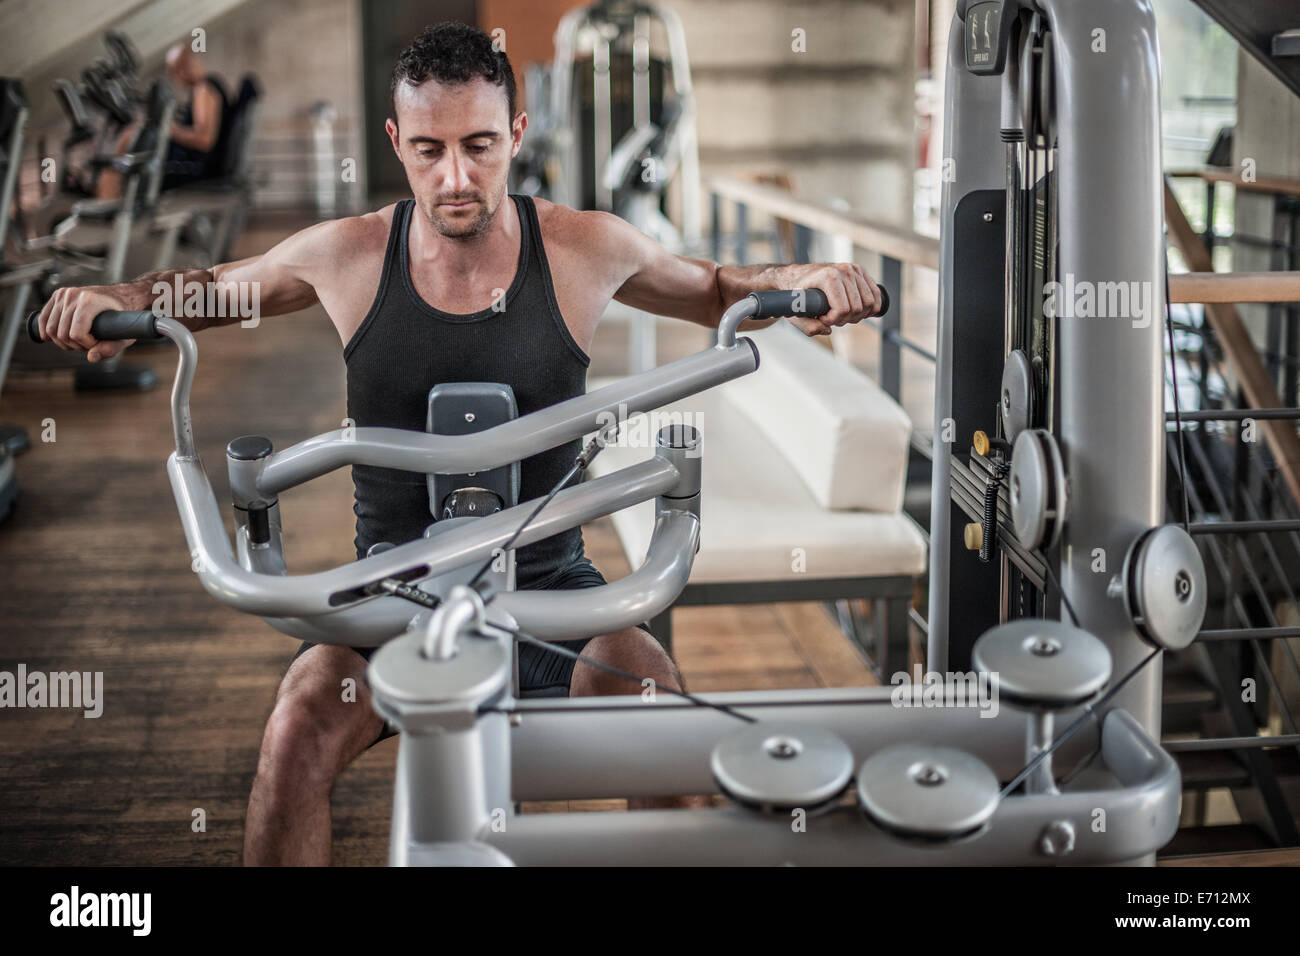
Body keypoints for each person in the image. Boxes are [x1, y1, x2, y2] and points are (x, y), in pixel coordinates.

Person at [35, 21, 883, 865]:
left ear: (515, 134)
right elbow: (217, 290)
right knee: (296, 727)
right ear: (397, 142)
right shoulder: (351, 253)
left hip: (555, 597)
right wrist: (125, 293)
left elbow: (715, 289)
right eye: (429, 150)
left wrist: (798, 281)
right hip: (387, 600)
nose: (455, 177)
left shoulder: (579, 246)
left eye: (479, 146)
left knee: (656, 703)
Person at [96, 43, 226, 199]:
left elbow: (205, 140)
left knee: (124, 150)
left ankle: (105, 208)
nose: (178, 77)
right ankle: (110, 205)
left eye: (178, 70)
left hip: (196, 168)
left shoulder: (203, 90)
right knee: (129, 137)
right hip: (192, 162)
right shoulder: (205, 89)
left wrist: (169, 129)